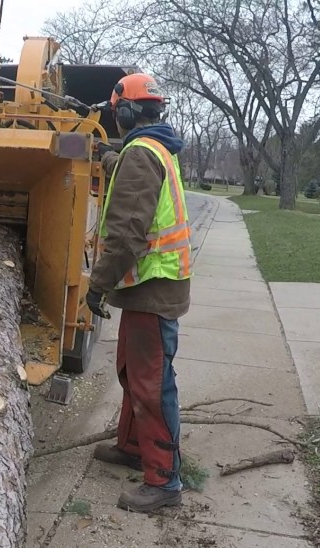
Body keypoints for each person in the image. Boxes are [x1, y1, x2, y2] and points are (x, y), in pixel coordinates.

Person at [86, 72, 193, 514]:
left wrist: (97, 286)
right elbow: (128, 168)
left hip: (152, 286)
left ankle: (164, 482)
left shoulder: (140, 155)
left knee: (152, 385)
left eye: (116, 112)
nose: (115, 118)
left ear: (126, 112)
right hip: (152, 286)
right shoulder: (150, 150)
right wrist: (106, 156)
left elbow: (127, 234)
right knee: (133, 372)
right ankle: (132, 447)